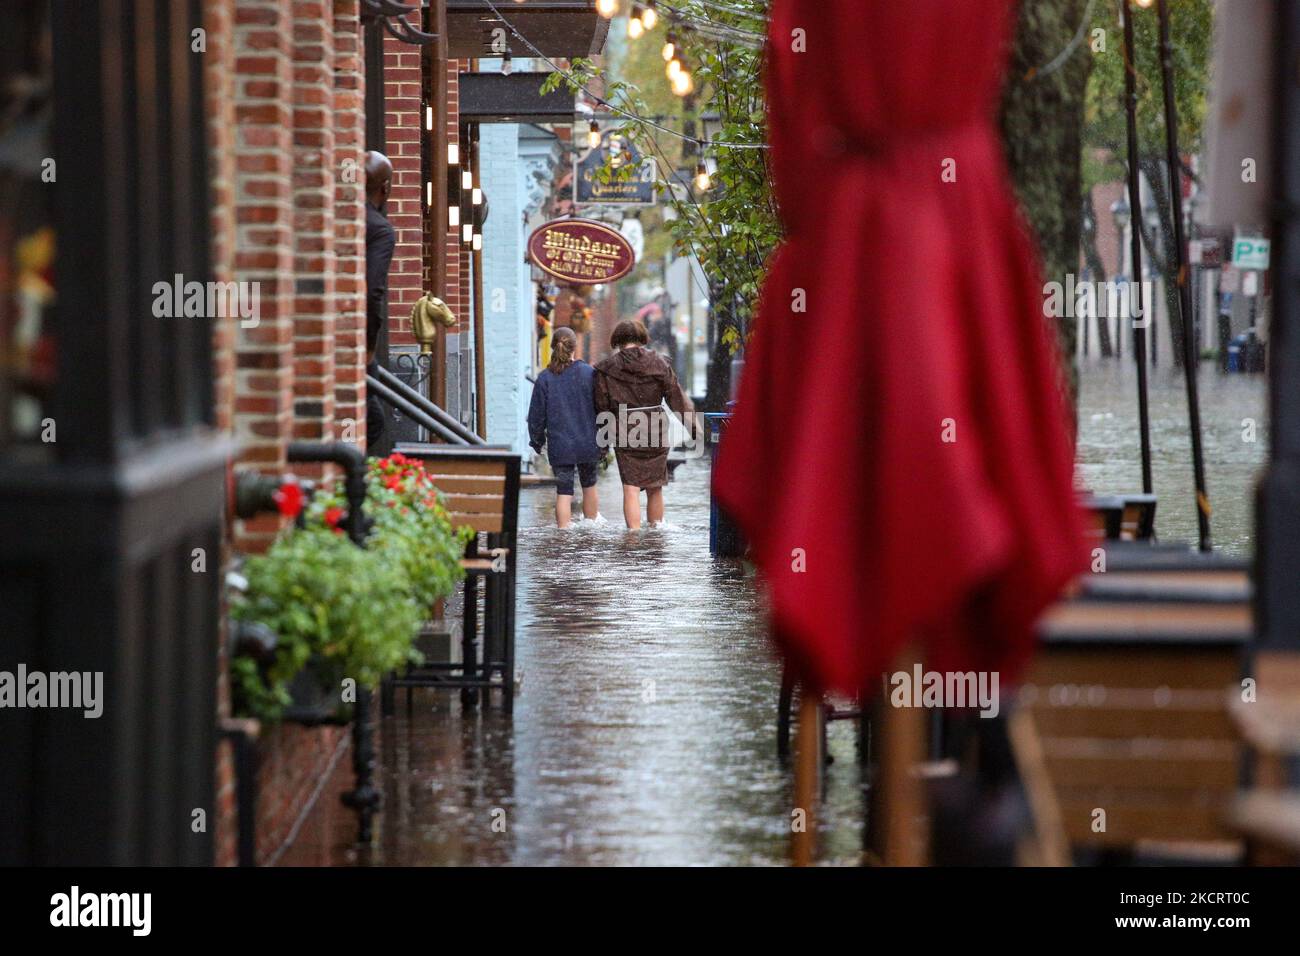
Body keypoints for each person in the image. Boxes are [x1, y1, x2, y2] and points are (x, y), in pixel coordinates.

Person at [594, 319, 694, 529]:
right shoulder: (660, 363)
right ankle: (655, 536)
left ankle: (632, 537)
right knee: (655, 487)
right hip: (655, 428)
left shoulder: (606, 369)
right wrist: (694, 428)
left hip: (625, 429)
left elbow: (602, 407)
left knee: (630, 488)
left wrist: (602, 445)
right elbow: (677, 399)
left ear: (618, 341)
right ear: (641, 338)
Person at [527, 326, 602, 527]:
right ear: (574, 347)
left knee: (564, 491)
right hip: (588, 441)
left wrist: (537, 441)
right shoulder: (589, 373)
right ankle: (591, 528)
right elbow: (601, 407)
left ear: (553, 347)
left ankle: (563, 535)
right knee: (589, 485)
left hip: (561, 445)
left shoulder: (544, 378)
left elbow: (536, 416)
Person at [364, 150, 396, 452]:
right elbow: (373, 290)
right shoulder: (380, 229)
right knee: (371, 421)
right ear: (384, 188)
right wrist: (368, 345)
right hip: (356, 347)